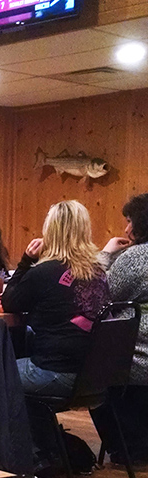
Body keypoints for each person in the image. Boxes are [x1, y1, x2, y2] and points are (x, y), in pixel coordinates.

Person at [1, 200, 109, 396]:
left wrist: (27, 260)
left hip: (55, 372)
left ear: (51, 231)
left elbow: (9, 302)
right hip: (93, 375)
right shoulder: (99, 271)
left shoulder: (45, 272)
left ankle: (19, 426)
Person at [92, 193, 148, 461]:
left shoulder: (135, 257)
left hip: (136, 358)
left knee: (89, 373)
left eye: (129, 221)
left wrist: (106, 253)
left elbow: (97, 294)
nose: (126, 229)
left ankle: (124, 446)